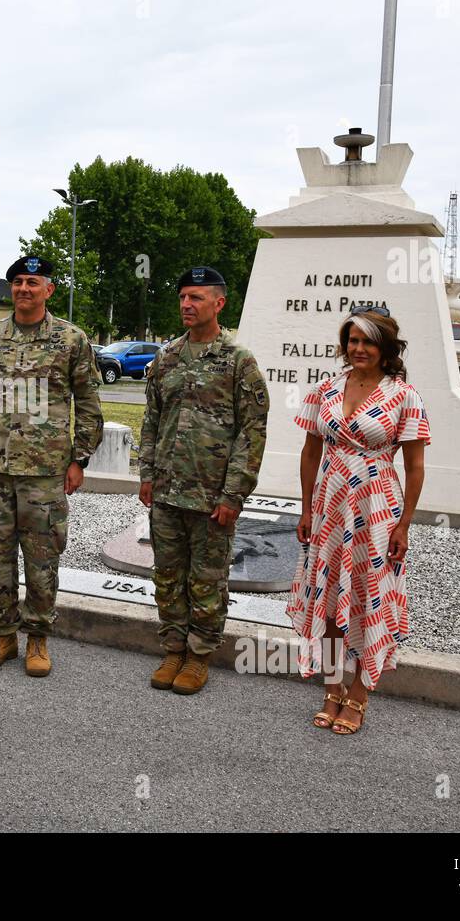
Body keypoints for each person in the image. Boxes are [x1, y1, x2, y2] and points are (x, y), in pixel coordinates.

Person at [289, 308, 429, 735]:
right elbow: (311, 452)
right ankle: (333, 689)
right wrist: (307, 508)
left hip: (377, 507)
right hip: (331, 505)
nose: (359, 348)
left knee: (370, 602)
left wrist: (404, 524)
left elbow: (416, 466)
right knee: (331, 602)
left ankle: (360, 694)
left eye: (368, 341)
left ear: (385, 347)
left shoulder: (404, 396)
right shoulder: (326, 390)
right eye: (353, 340)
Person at [0, 255, 103, 677]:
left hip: (45, 470)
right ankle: (3, 637)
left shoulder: (71, 339)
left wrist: (79, 459)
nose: (24, 289)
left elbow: (89, 403)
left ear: (49, 290)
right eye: (18, 283)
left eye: (32, 282)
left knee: (42, 557)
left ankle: (38, 639)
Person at [138, 267, 269, 695]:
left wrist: (234, 492)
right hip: (167, 492)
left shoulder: (238, 361)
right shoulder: (167, 358)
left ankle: (198, 656)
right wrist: (146, 474)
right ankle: (173, 648)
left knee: (208, 579)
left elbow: (252, 432)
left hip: (213, 495)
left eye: (196, 297)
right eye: (182, 297)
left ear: (220, 303)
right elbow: (153, 420)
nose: (186, 305)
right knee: (167, 575)